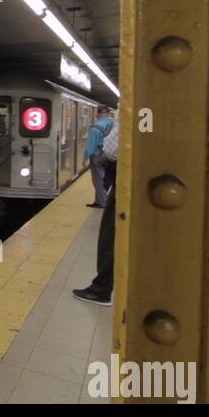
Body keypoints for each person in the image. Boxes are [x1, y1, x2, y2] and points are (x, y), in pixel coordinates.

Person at [73, 121, 119, 306]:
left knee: (109, 236)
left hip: (123, 181)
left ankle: (102, 289)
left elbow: (111, 148)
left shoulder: (131, 108)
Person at [84, 106, 114, 208]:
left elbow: (90, 147)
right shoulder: (112, 124)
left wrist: (85, 159)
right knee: (103, 177)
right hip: (107, 155)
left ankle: (103, 201)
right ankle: (98, 200)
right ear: (109, 114)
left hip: (97, 156)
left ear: (98, 114)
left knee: (98, 179)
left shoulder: (95, 128)